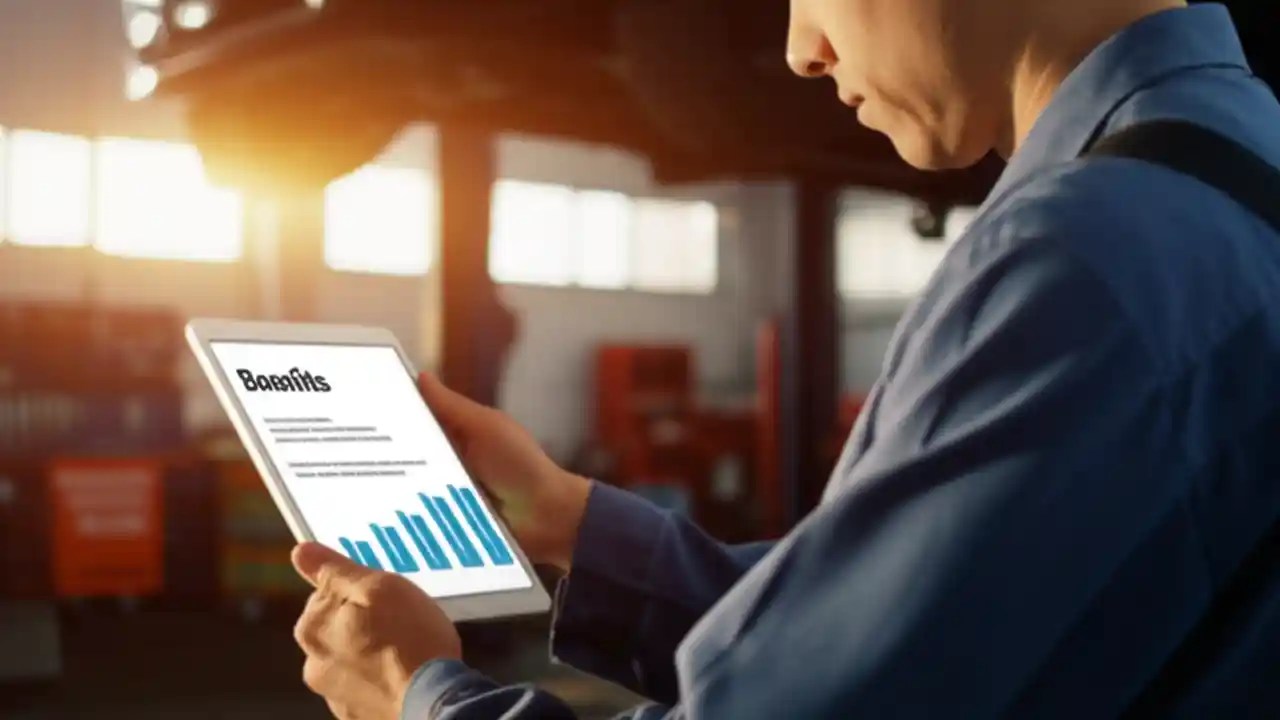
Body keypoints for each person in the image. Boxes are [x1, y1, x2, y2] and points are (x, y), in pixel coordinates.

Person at [288, 0, 1280, 717]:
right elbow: (914, 632)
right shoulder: (1231, 162)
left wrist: (418, 694)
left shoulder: (1077, 254)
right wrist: (573, 523)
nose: (802, 48)